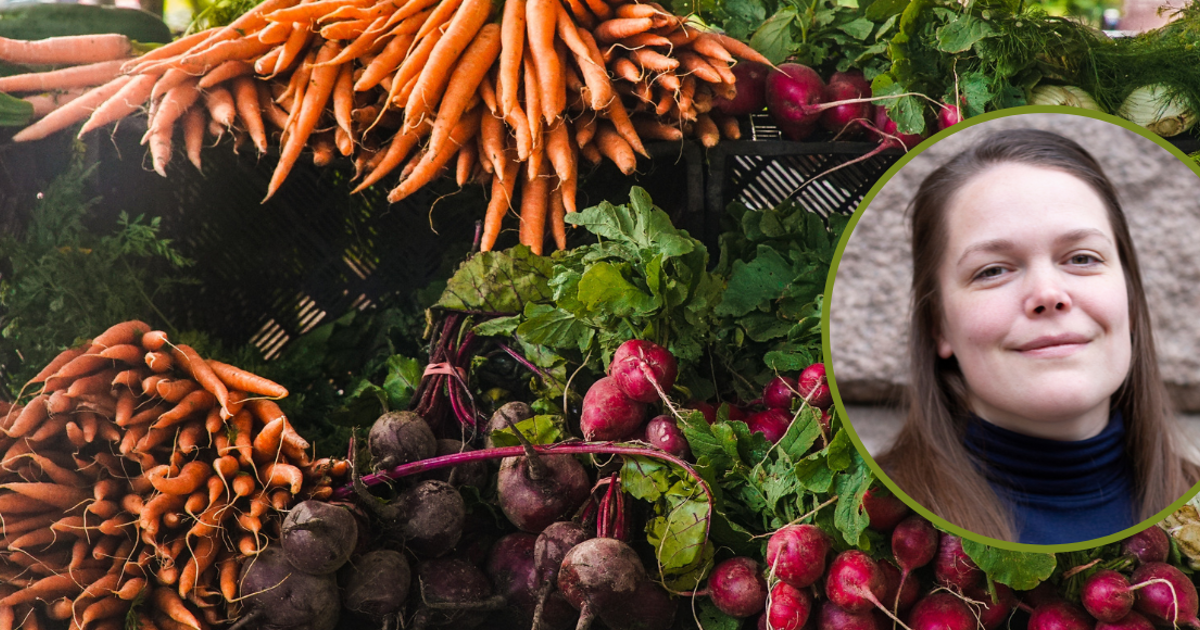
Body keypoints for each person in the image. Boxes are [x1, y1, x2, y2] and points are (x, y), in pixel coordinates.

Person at [875, 128, 1200, 545]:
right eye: (992, 270)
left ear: (1131, 301)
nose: (1048, 294)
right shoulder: (877, 522)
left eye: (1083, 258)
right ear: (939, 324)